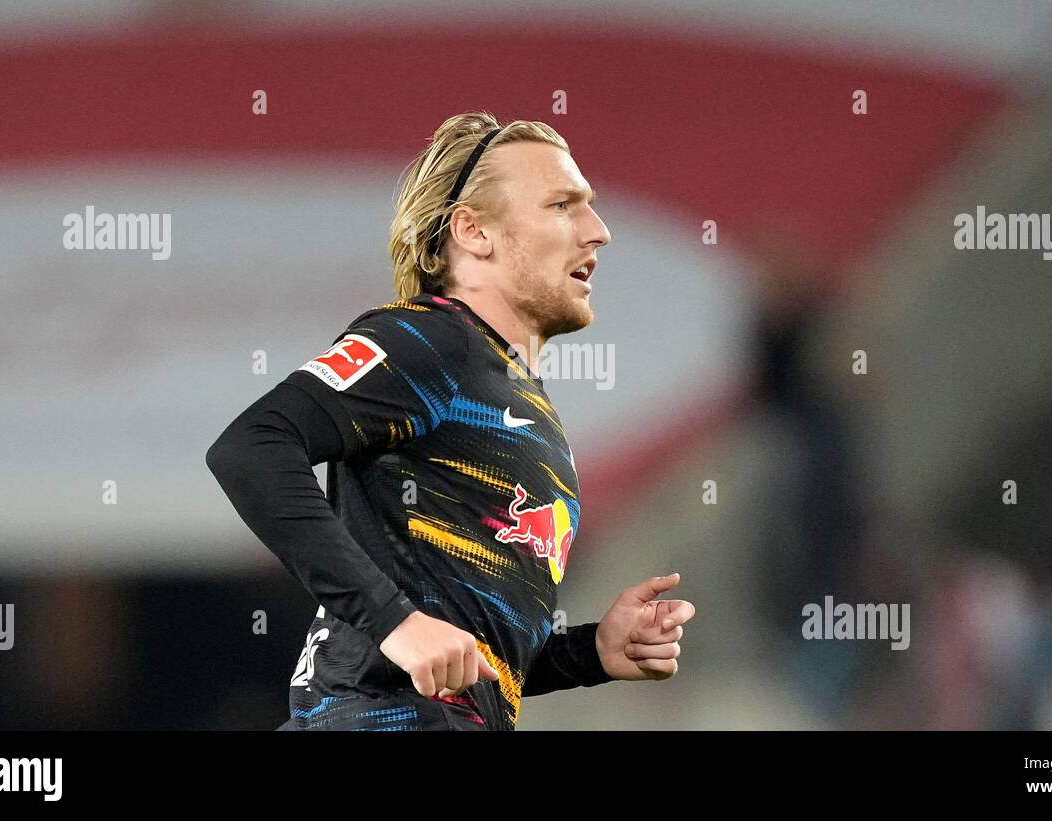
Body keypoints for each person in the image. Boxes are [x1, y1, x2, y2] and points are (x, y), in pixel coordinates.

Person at [206, 111, 695, 730]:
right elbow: (252, 445)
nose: (598, 231)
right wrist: (394, 622)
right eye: (562, 206)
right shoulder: (431, 340)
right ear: (474, 232)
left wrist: (587, 653)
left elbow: (464, 646)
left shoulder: (515, 396)